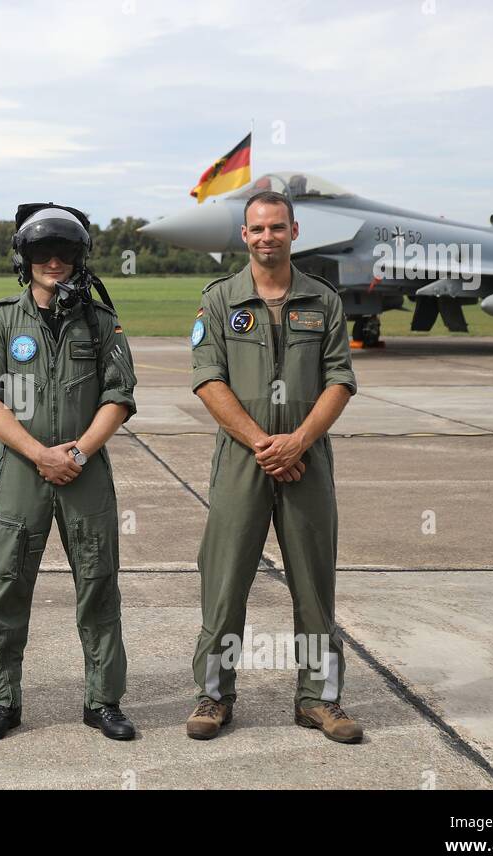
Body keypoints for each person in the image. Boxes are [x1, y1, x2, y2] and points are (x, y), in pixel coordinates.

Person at [185, 190, 362, 744]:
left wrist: (300, 442)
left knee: (315, 586)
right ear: (244, 235)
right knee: (225, 580)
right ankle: (214, 696)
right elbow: (207, 380)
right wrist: (266, 444)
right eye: (258, 229)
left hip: (308, 463)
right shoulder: (219, 300)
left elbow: (341, 380)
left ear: (294, 232)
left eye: (277, 228)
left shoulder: (324, 301)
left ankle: (320, 699)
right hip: (242, 460)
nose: (268, 237)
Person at [0, 203, 138, 742]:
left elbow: (119, 396)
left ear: (80, 258)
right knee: (6, 586)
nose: (54, 262)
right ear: (25, 258)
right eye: (43, 252)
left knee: (98, 586)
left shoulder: (102, 323)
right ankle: (0, 701)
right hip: (21, 473)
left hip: (85, 474)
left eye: (64, 252)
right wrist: (39, 454)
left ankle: (103, 700)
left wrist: (79, 453)